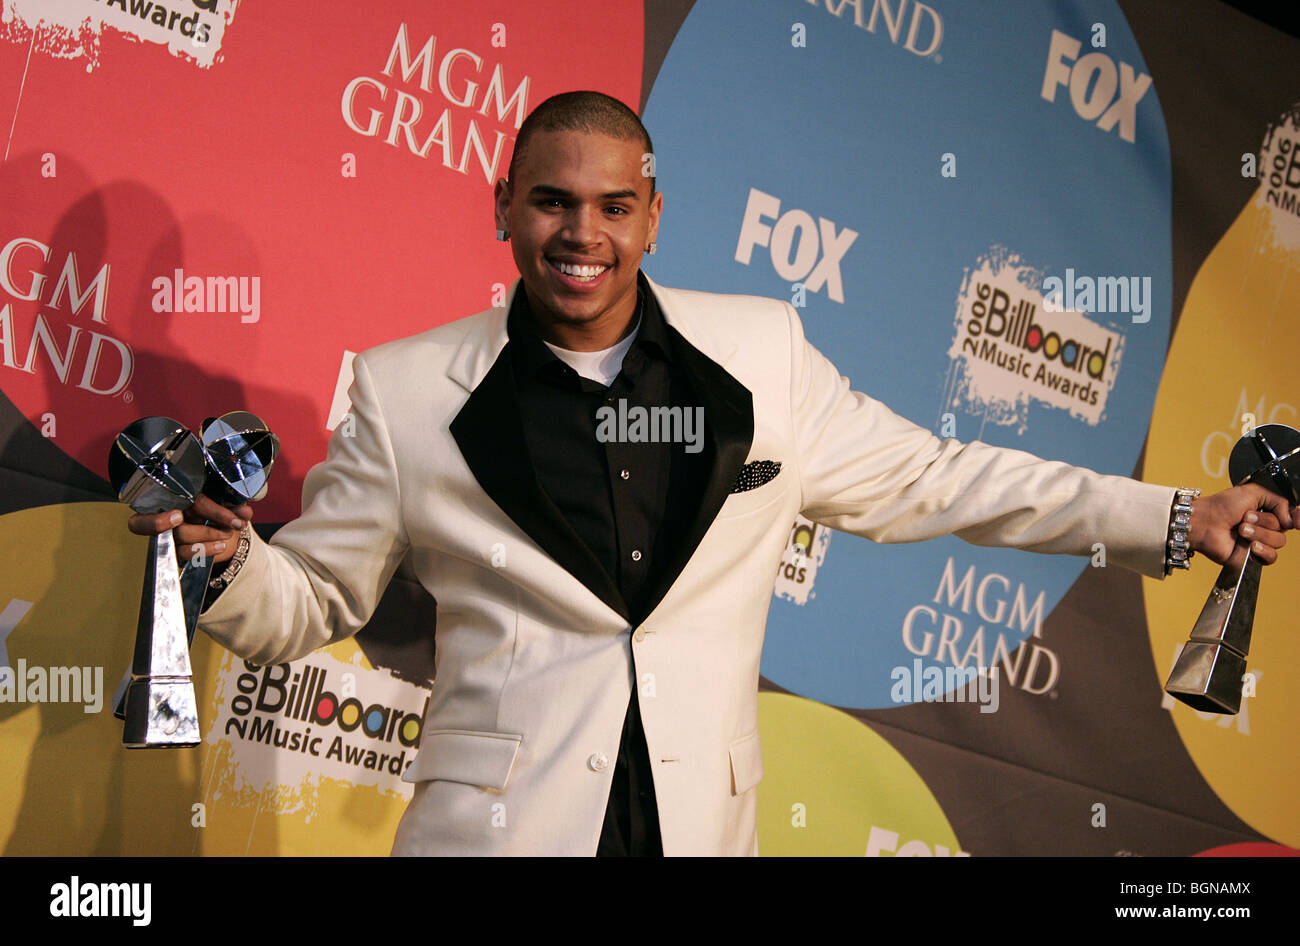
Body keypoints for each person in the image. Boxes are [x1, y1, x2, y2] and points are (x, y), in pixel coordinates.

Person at [127, 91, 1294, 856]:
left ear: (652, 216)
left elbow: (944, 478)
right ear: (502, 208)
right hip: (490, 834)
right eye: (551, 201)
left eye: (611, 206)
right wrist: (228, 566)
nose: (581, 233)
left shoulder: (764, 354)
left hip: (697, 830)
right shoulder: (402, 390)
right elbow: (316, 602)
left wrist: (1181, 514)